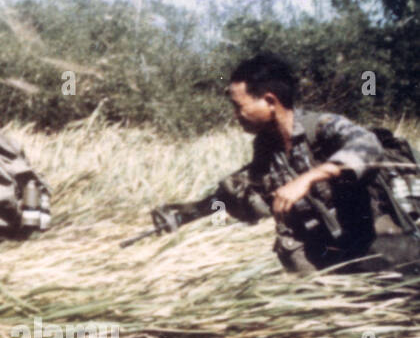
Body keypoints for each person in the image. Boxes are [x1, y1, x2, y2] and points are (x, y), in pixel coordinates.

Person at [158, 52, 420, 273]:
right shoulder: (266, 150)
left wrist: (309, 178)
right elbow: (237, 194)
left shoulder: (322, 127)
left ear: (270, 101)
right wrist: (183, 214)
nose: (236, 115)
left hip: (381, 244)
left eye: (240, 106)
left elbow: (367, 145)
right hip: (331, 257)